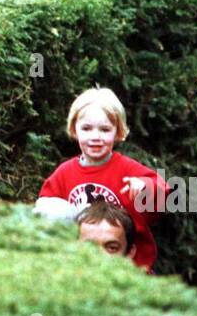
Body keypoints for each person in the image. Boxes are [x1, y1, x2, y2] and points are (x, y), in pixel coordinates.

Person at [34, 87, 167, 272]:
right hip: (80, 266)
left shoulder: (126, 168)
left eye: (105, 130)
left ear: (118, 132)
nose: (95, 137)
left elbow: (162, 191)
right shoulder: (64, 173)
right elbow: (45, 212)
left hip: (126, 265)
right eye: (87, 129)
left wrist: (144, 187)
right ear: (74, 130)